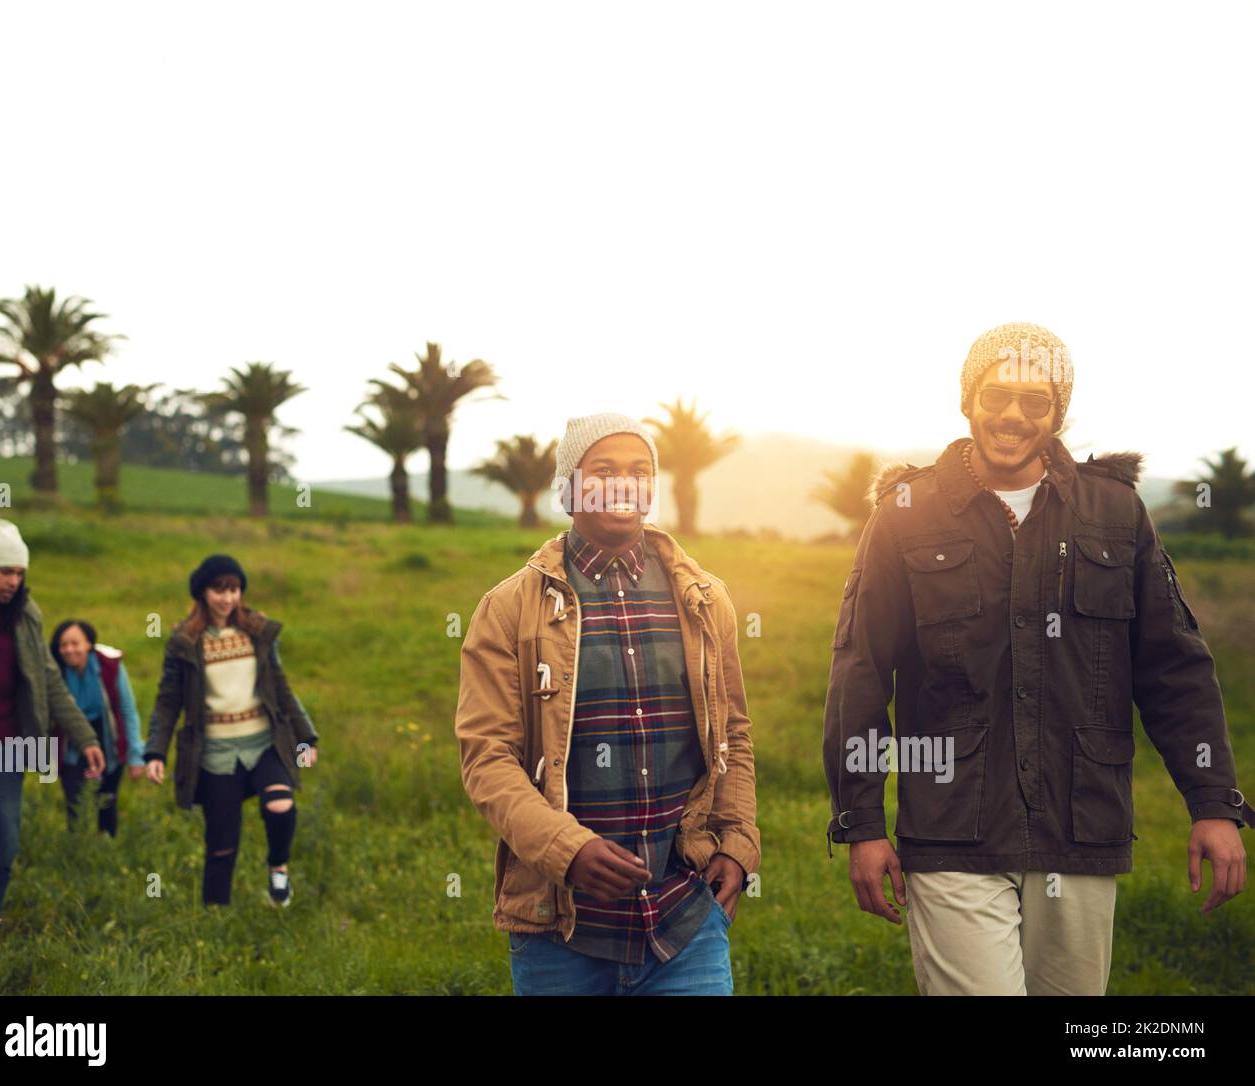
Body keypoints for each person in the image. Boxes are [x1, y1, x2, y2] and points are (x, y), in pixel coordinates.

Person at [822, 322, 1253, 995]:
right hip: (951, 827)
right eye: (998, 395)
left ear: (1059, 412)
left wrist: (1213, 805)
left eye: (1036, 401)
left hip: (1080, 825)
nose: (1014, 416)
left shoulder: (1115, 511)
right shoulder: (906, 513)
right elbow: (860, 672)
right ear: (968, 400)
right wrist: (862, 823)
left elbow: (1175, 669)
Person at [455, 412, 760, 995]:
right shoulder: (508, 608)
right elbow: (487, 757)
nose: (624, 482)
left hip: (685, 921)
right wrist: (565, 849)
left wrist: (740, 843)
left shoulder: (704, 599)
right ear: (568, 488)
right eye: (603, 470)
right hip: (562, 932)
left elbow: (733, 734)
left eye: (639, 470)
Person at [0, 519, 104, 938]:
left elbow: (49, 679)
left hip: (9, 743)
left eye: (20, 573)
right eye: (5, 572)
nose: (13, 581)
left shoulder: (26, 616)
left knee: (5, 840)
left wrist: (86, 736)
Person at [143, 555, 319, 908]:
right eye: (219, 590)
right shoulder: (185, 641)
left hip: (264, 743)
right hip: (216, 753)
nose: (227, 598)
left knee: (281, 806)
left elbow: (281, 688)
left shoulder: (256, 632)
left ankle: (277, 869)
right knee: (222, 842)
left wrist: (306, 738)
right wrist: (155, 752)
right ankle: (215, 917)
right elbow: (168, 700)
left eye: (234, 589)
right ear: (202, 593)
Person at [50, 619, 145, 836]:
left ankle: (106, 845)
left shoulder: (109, 667)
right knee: (75, 799)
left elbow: (128, 710)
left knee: (107, 799)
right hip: (72, 742)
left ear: (89, 644)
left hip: (107, 737)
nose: (69, 650)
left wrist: (136, 754)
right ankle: (77, 846)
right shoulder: (55, 671)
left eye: (75, 643)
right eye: (63, 645)